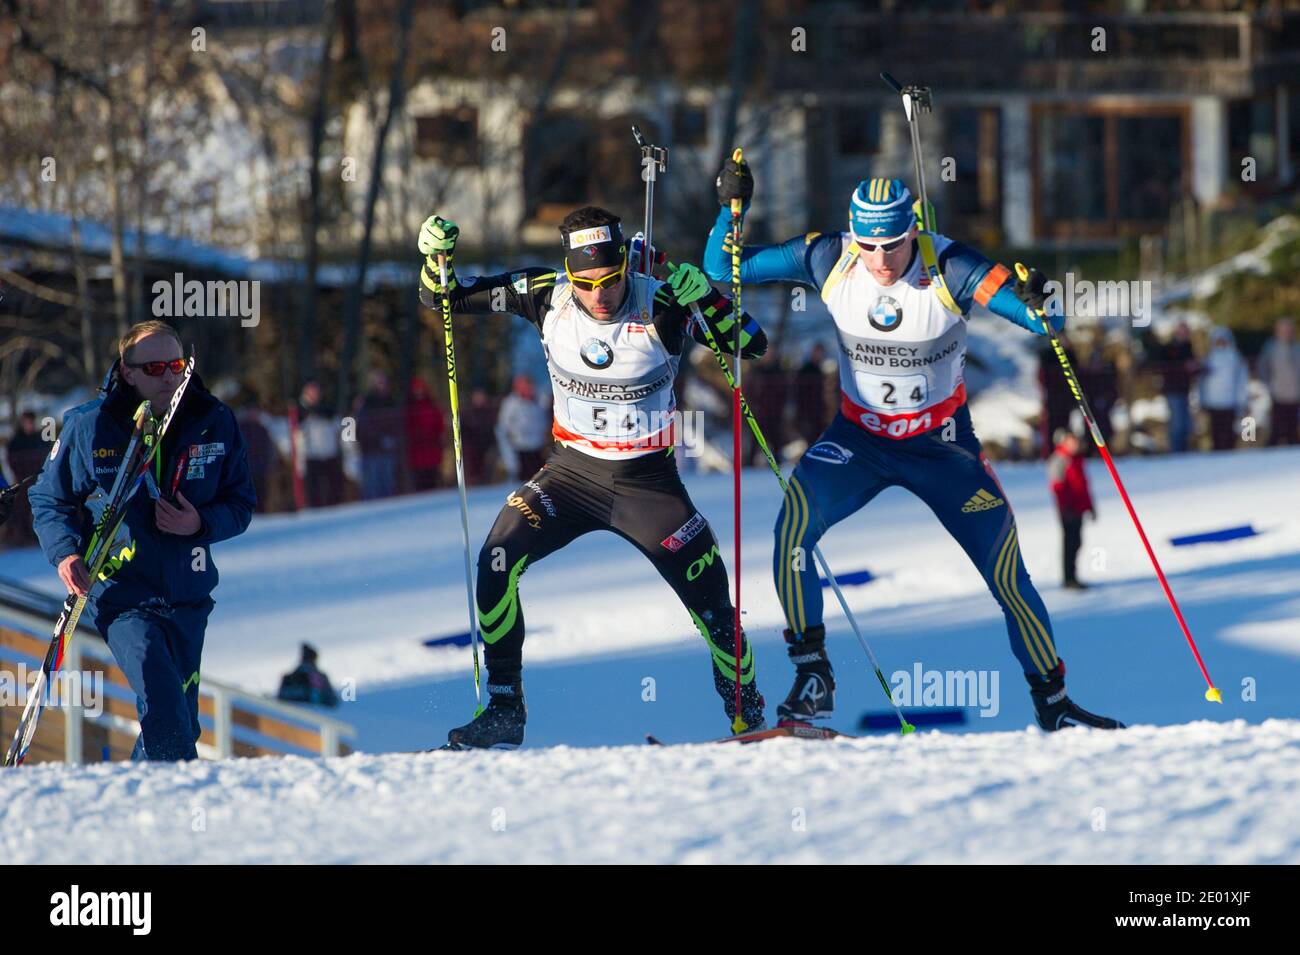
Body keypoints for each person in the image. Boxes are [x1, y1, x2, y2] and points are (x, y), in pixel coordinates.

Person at [706, 162, 1122, 732]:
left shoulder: (951, 264)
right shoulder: (828, 257)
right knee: (791, 529)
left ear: (913, 231)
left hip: (942, 447)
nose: (880, 260)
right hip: (860, 440)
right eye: (869, 245)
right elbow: (719, 268)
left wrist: (1042, 297)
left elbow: (1042, 319)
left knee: (1009, 578)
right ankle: (813, 674)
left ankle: (1053, 703)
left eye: (894, 245)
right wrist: (732, 209)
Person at [417, 206, 768, 747]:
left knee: (714, 606)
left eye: (609, 279)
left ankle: (745, 713)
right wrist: (435, 263)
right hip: (570, 477)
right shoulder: (545, 293)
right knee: (495, 562)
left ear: (626, 263)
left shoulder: (664, 301)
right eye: (585, 283)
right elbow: (448, 298)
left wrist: (709, 297)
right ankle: (505, 708)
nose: (599, 295)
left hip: (647, 485)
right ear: (568, 272)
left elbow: (752, 343)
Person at [29, 321, 256, 761]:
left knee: (178, 722)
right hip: (124, 596)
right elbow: (48, 498)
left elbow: (241, 504)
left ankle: (138, 803)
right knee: (164, 704)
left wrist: (200, 524)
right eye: (155, 368)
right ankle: (181, 807)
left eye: (176, 365)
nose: (169, 377)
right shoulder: (90, 426)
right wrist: (65, 553)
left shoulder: (213, 420)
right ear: (128, 372)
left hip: (189, 596)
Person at [1047, 429, 1095, 590]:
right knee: (1070, 543)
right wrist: (1065, 508)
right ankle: (1069, 578)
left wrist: (1090, 507)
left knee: (1077, 542)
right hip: (1068, 510)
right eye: (1071, 441)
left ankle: (1073, 576)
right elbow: (1057, 487)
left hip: (1078, 508)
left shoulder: (1076, 459)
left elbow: (1083, 487)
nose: (1075, 444)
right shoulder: (1059, 460)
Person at [1148, 321, 1199, 453]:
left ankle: (1183, 450)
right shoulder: (1169, 348)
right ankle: (1176, 451)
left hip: (1185, 390)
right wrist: (1184, 366)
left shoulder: (1188, 347)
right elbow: (1164, 366)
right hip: (1173, 390)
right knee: (1177, 423)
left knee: (1186, 423)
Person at [4, 410, 52, 544]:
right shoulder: (16, 442)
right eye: (27, 422)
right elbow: (10, 461)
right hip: (22, 481)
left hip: (39, 479)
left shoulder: (40, 439)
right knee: (19, 508)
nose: (29, 424)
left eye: (31, 421)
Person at [1198, 326, 1249, 451]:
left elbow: (1241, 382)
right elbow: (1201, 383)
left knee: (1229, 433)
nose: (1220, 343)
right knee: (1215, 433)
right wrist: (1202, 400)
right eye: (1217, 340)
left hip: (1230, 402)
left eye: (1223, 340)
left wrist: (1242, 401)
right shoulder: (1207, 360)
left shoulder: (1236, 359)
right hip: (1213, 403)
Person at [354, 370, 403, 499]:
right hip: (371, 453)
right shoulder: (366, 403)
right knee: (372, 488)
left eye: (384, 382)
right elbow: (362, 428)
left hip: (388, 451)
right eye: (379, 382)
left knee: (388, 487)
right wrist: (379, 439)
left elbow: (397, 425)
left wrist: (393, 440)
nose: (382, 385)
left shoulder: (391, 401)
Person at [495, 375, 551, 482]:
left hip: (538, 451)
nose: (529, 388)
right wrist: (508, 456)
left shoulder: (539, 401)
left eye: (530, 385)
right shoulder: (510, 404)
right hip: (520, 452)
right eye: (525, 385)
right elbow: (502, 429)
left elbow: (544, 423)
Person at [296, 381, 344, 507]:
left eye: (317, 392)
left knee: (333, 491)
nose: (315, 395)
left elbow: (341, 427)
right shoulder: (300, 412)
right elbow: (296, 434)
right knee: (314, 493)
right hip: (312, 457)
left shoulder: (329, 409)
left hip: (330, 455)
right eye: (312, 393)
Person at [1258, 316, 1299, 446]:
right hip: (1278, 394)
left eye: (1289, 329)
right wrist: (1269, 384)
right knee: (1277, 427)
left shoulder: (1297, 348)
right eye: (1283, 329)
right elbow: (1263, 367)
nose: (1287, 332)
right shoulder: (1271, 348)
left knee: (1293, 428)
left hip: (1295, 394)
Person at [277, 643, 340, 708]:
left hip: (286, 716)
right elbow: (332, 701)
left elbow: (279, 700)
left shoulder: (288, 678)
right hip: (314, 716)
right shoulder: (320, 678)